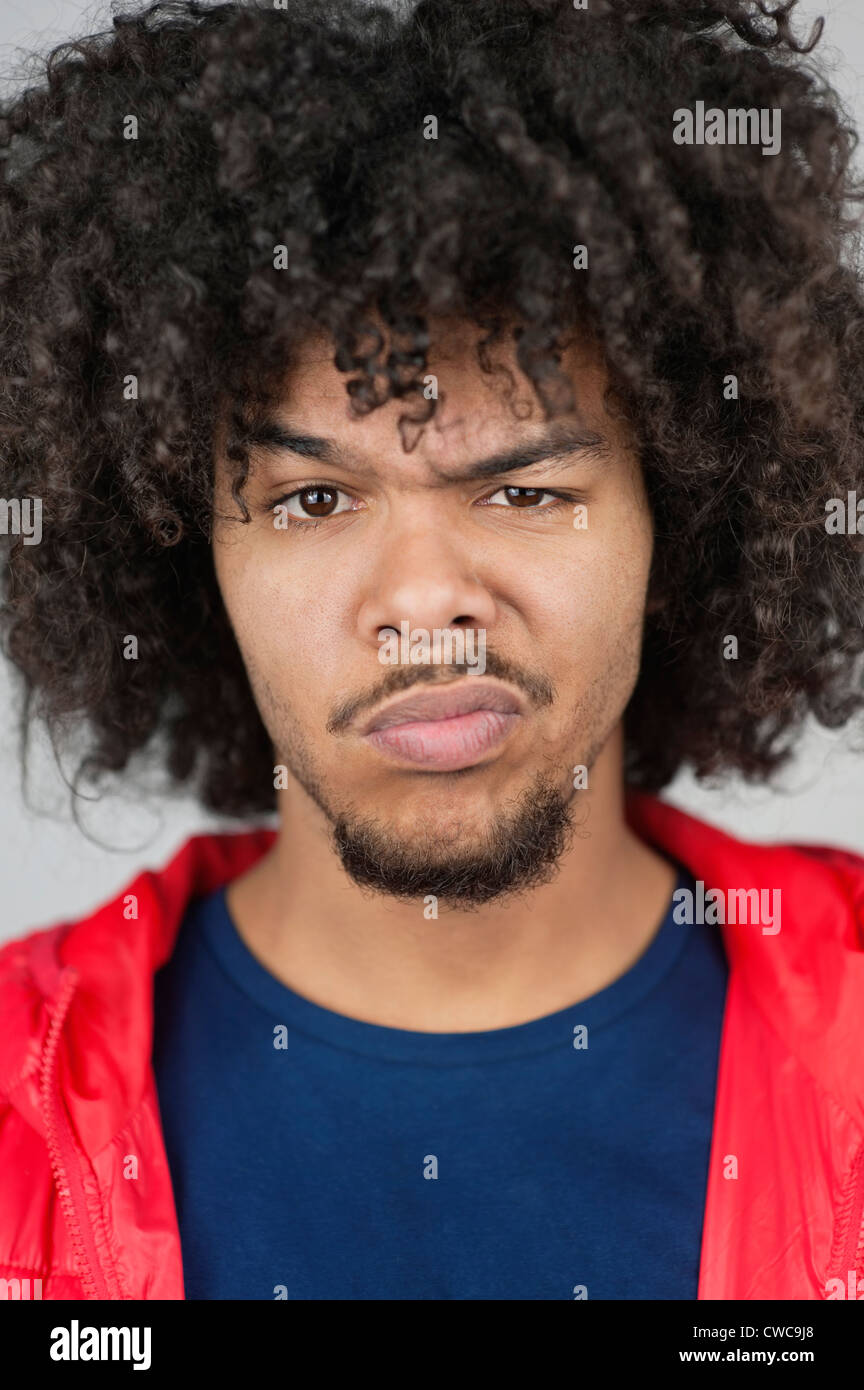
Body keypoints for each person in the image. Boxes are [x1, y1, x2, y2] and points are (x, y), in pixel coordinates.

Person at [1, 0, 863, 1302]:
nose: (421, 603)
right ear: (186, 555)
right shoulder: (20, 1100)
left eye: (523, 490)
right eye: (312, 499)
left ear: (680, 519)